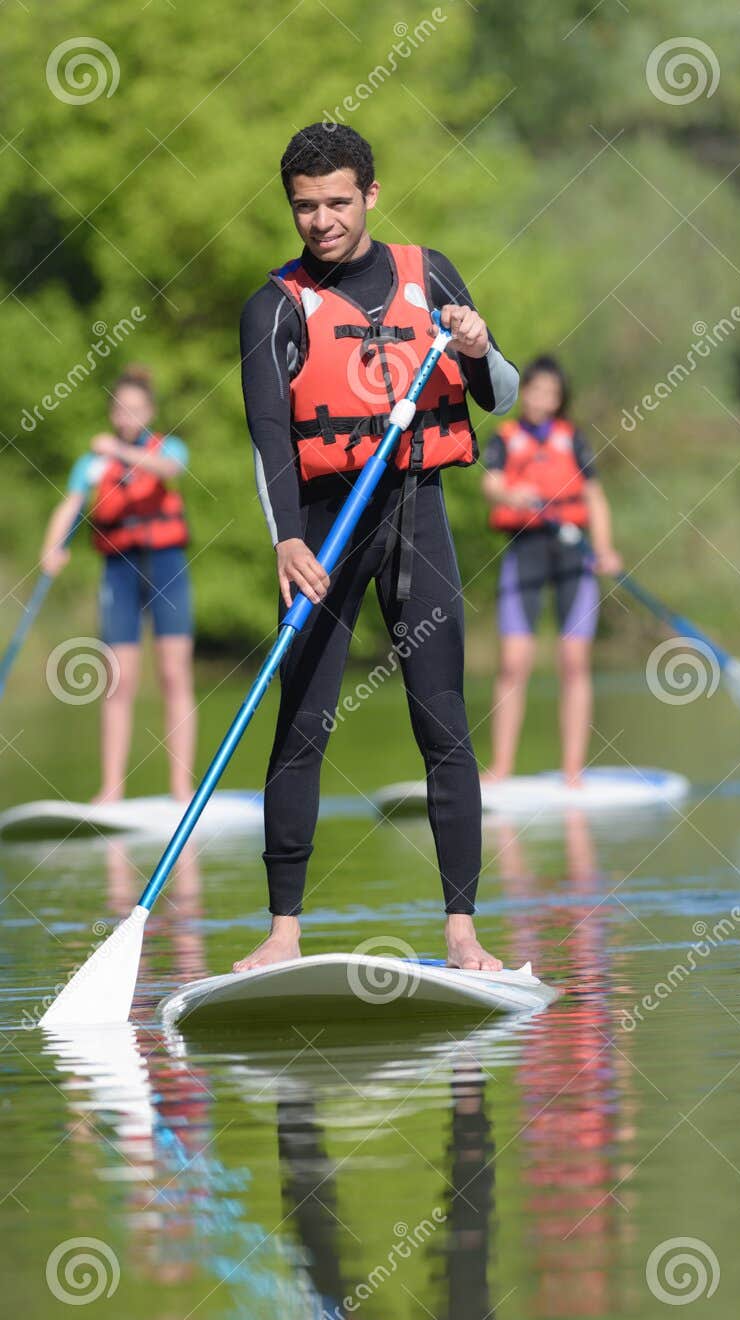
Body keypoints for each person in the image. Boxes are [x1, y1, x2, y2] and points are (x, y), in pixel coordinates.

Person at [236, 123, 518, 973]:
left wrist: (474, 347)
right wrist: (286, 537)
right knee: (302, 725)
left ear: (370, 195)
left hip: (416, 518)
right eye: (304, 207)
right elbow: (268, 441)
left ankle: (462, 931)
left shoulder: (427, 276)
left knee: (444, 723)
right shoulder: (275, 306)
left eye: (336, 202)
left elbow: (497, 393)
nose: (320, 220)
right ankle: (283, 931)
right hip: (321, 530)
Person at [37, 365, 195, 803]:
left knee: (172, 673)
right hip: (119, 569)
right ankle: (112, 788)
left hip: (166, 565)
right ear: (112, 413)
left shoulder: (168, 448)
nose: (128, 418)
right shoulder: (92, 465)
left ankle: (182, 786)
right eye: (121, 410)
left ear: (150, 412)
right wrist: (53, 548)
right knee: (118, 680)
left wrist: (119, 454)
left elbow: (167, 470)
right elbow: (70, 507)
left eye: (137, 410)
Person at [481, 356, 621, 785]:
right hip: (526, 550)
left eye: (551, 393)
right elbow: (491, 484)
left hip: (572, 553)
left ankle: (573, 772)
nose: (543, 399)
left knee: (574, 661)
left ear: (560, 400)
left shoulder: (572, 438)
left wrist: (604, 548)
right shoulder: (504, 438)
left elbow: (594, 497)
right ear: (524, 392)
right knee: (513, 662)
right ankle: (500, 769)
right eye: (536, 390)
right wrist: (511, 492)